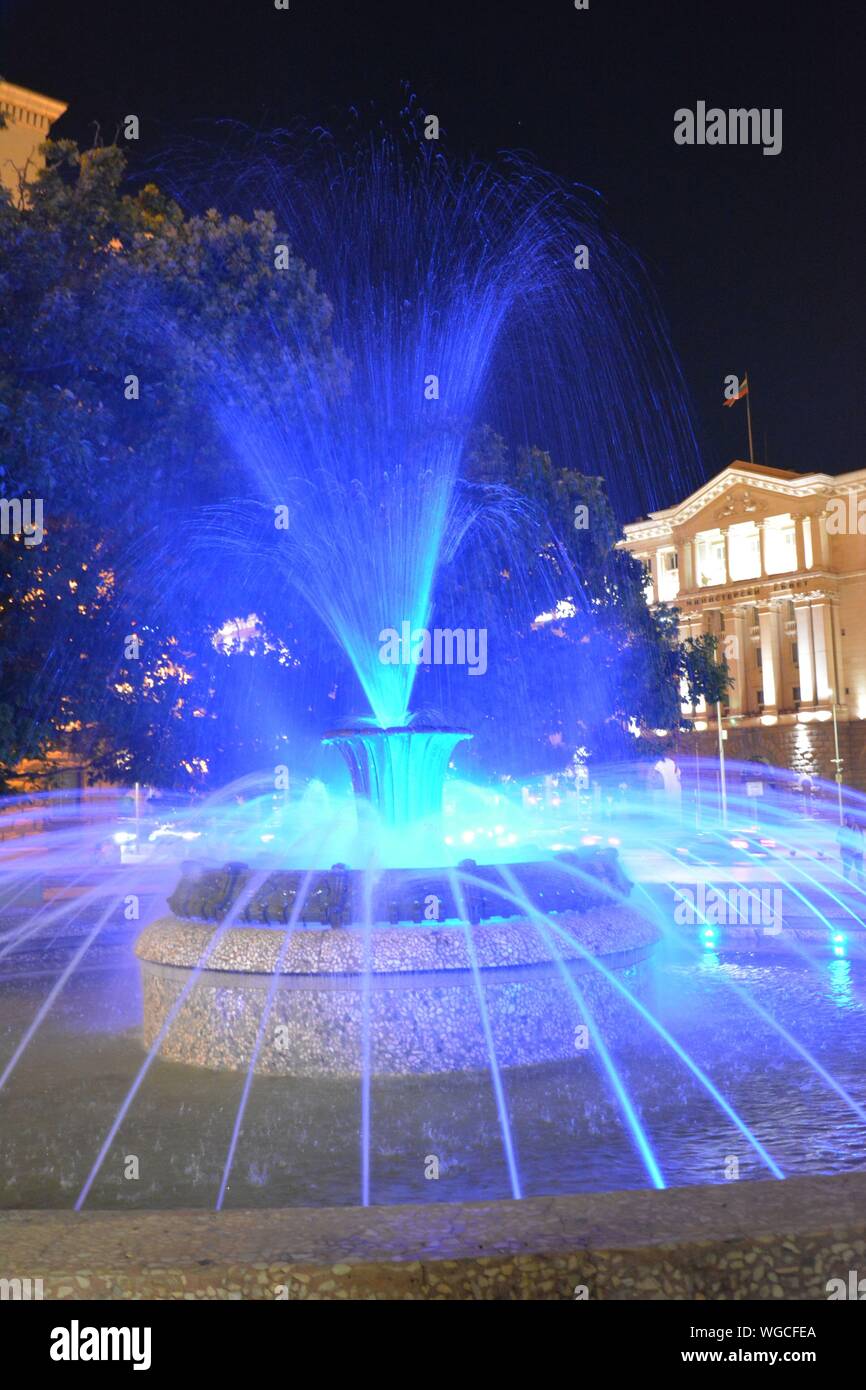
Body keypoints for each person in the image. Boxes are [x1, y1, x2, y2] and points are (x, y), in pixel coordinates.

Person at [837, 815, 865, 883]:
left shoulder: (859, 828)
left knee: (859, 868)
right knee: (847, 868)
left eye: (852, 818)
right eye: (848, 819)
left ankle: (861, 881)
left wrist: (862, 848)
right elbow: (838, 839)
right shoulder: (842, 829)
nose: (850, 820)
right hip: (847, 852)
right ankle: (846, 881)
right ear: (846, 819)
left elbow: (862, 839)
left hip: (858, 852)